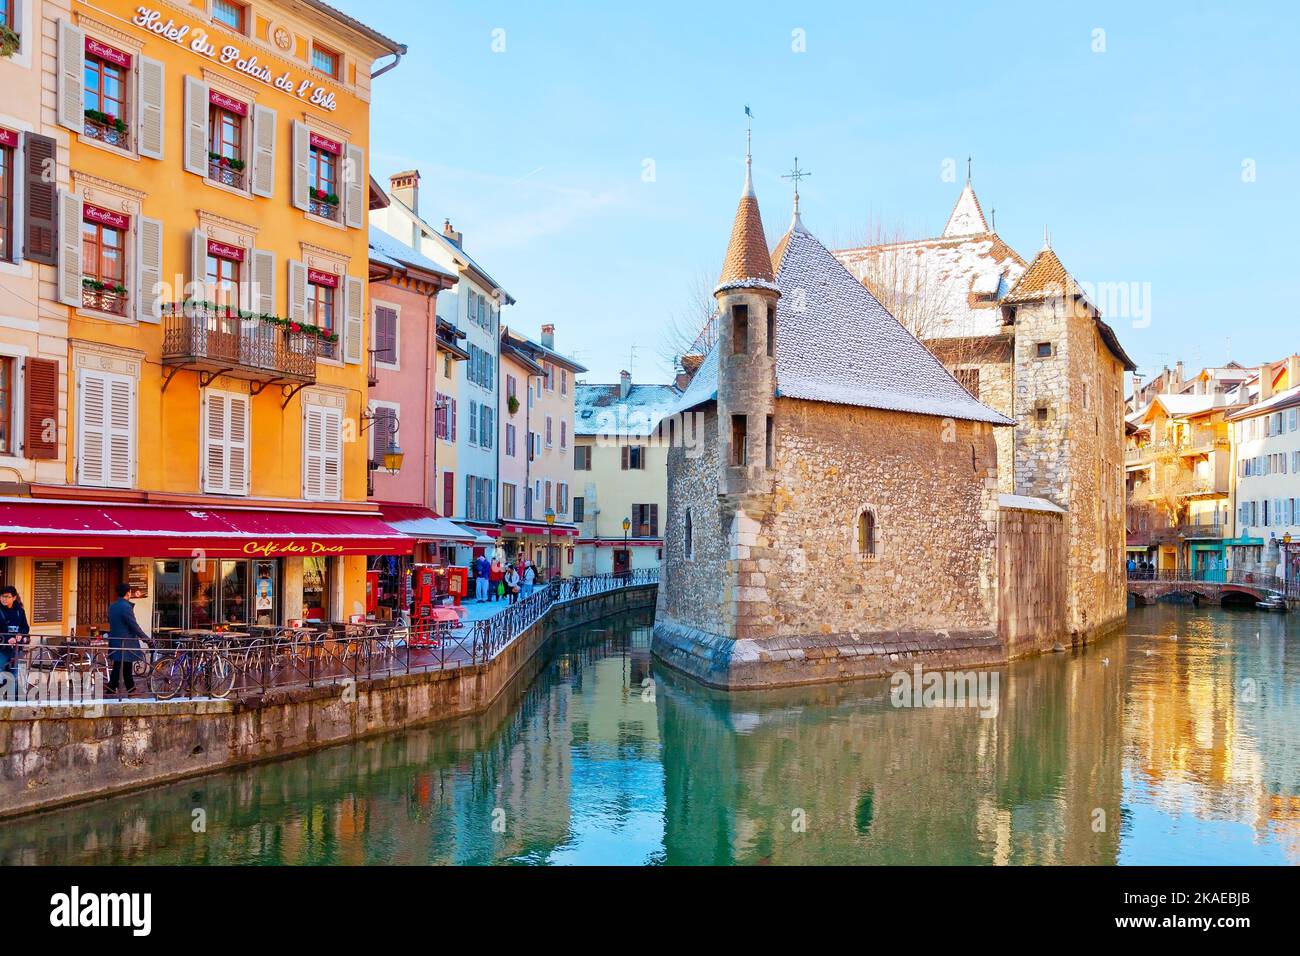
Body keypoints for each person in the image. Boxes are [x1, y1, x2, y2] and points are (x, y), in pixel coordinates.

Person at [106, 583, 149, 697]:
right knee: (123, 665)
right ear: (127, 593)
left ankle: (120, 688)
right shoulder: (126, 607)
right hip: (126, 641)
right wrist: (146, 639)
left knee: (122, 665)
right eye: (130, 592)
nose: (130, 594)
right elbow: (133, 626)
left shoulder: (112, 606)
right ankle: (125, 689)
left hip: (116, 640)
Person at [0, 585, 31, 690]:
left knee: (14, 674)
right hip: (2, 648)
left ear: (14, 598)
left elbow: (25, 627)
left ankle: (12, 700)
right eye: (2, 596)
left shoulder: (19, 611)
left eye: (7, 596)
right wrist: (8, 637)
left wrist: (21, 634)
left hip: (17, 649)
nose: (4, 599)